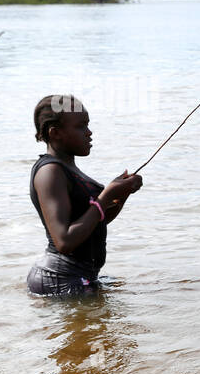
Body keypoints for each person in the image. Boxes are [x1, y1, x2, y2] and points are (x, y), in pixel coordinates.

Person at [27, 94, 143, 296]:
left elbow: (96, 222)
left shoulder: (68, 169)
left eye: (87, 125)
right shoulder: (50, 172)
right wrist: (105, 197)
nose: (89, 133)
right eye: (81, 126)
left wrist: (122, 194)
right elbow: (64, 241)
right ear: (55, 133)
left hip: (78, 276)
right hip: (59, 280)